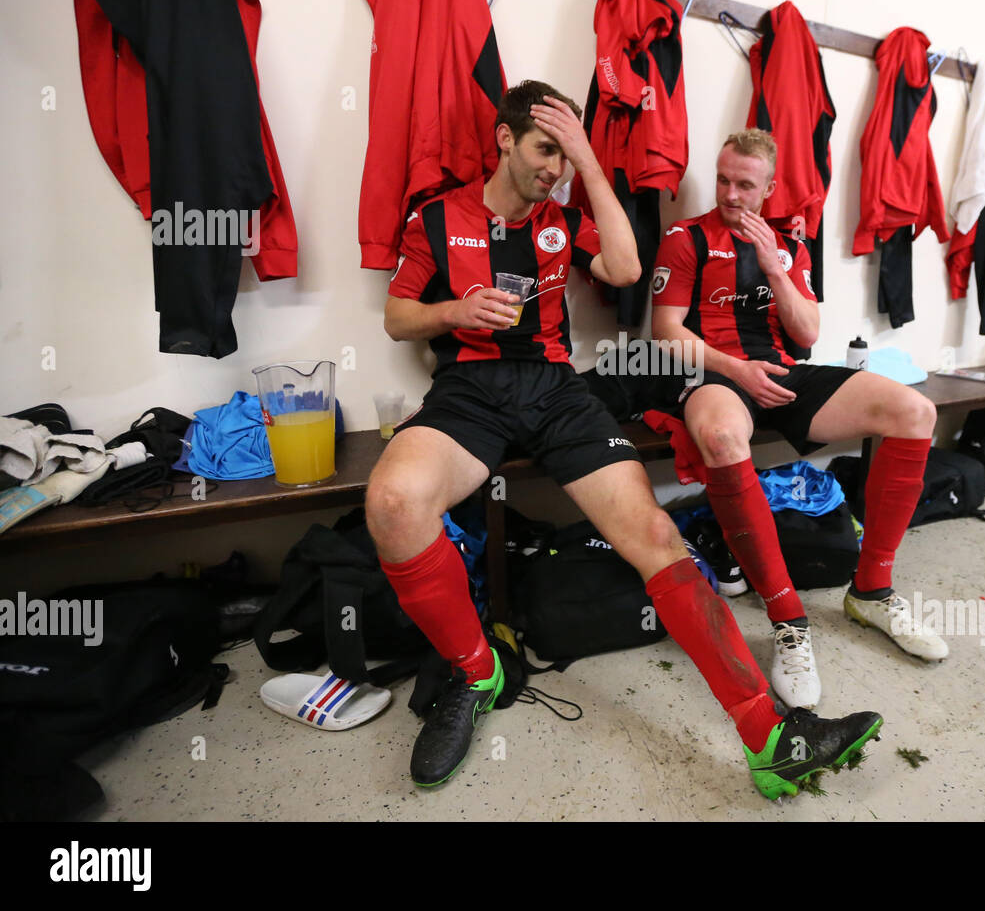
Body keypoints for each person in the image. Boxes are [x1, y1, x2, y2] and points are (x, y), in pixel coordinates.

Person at [366, 83, 883, 800]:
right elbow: (396, 317)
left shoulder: (563, 219)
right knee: (392, 503)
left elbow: (626, 269)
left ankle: (771, 738)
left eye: (565, 155)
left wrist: (586, 160)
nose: (554, 168)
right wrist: (456, 309)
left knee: (654, 533)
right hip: (470, 391)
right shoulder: (436, 217)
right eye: (546, 148)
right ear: (505, 139)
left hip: (554, 388)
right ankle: (474, 671)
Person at [650, 129, 947, 709]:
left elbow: (808, 334)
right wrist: (736, 370)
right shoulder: (685, 238)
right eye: (723, 180)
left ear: (769, 187)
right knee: (718, 434)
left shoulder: (789, 243)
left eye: (744, 184)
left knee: (915, 410)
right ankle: (788, 618)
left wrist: (774, 267)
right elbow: (664, 333)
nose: (732, 195)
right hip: (716, 373)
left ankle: (873, 590)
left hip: (782, 372)